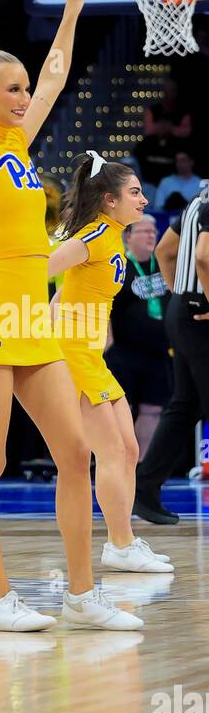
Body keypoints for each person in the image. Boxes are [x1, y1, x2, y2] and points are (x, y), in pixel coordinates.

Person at [0, 0, 141, 633]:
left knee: (74, 453)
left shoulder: (18, 141)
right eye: (12, 88)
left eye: (24, 88)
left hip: (30, 311)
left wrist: (74, 6)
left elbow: (56, 74)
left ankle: (82, 593)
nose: (25, 96)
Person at [47, 152, 172, 573]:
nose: (142, 199)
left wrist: (55, 312)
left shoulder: (112, 235)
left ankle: (125, 541)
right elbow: (44, 267)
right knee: (111, 450)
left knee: (130, 448)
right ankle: (120, 543)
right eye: (134, 193)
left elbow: (62, 292)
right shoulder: (96, 234)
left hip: (90, 356)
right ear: (109, 200)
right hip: (73, 357)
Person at [134, 184, 209, 525]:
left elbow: (165, 250)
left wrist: (180, 295)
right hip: (199, 313)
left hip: (183, 309)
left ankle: (144, 487)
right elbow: (204, 256)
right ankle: (143, 487)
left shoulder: (197, 200)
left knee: (185, 404)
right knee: (189, 403)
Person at [104, 216, 172, 458]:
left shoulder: (164, 264)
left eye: (153, 231)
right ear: (128, 236)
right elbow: (105, 306)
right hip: (124, 352)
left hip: (158, 353)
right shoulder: (121, 267)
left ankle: (141, 465)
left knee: (153, 409)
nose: (151, 235)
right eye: (144, 231)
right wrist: (107, 342)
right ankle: (119, 461)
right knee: (123, 408)